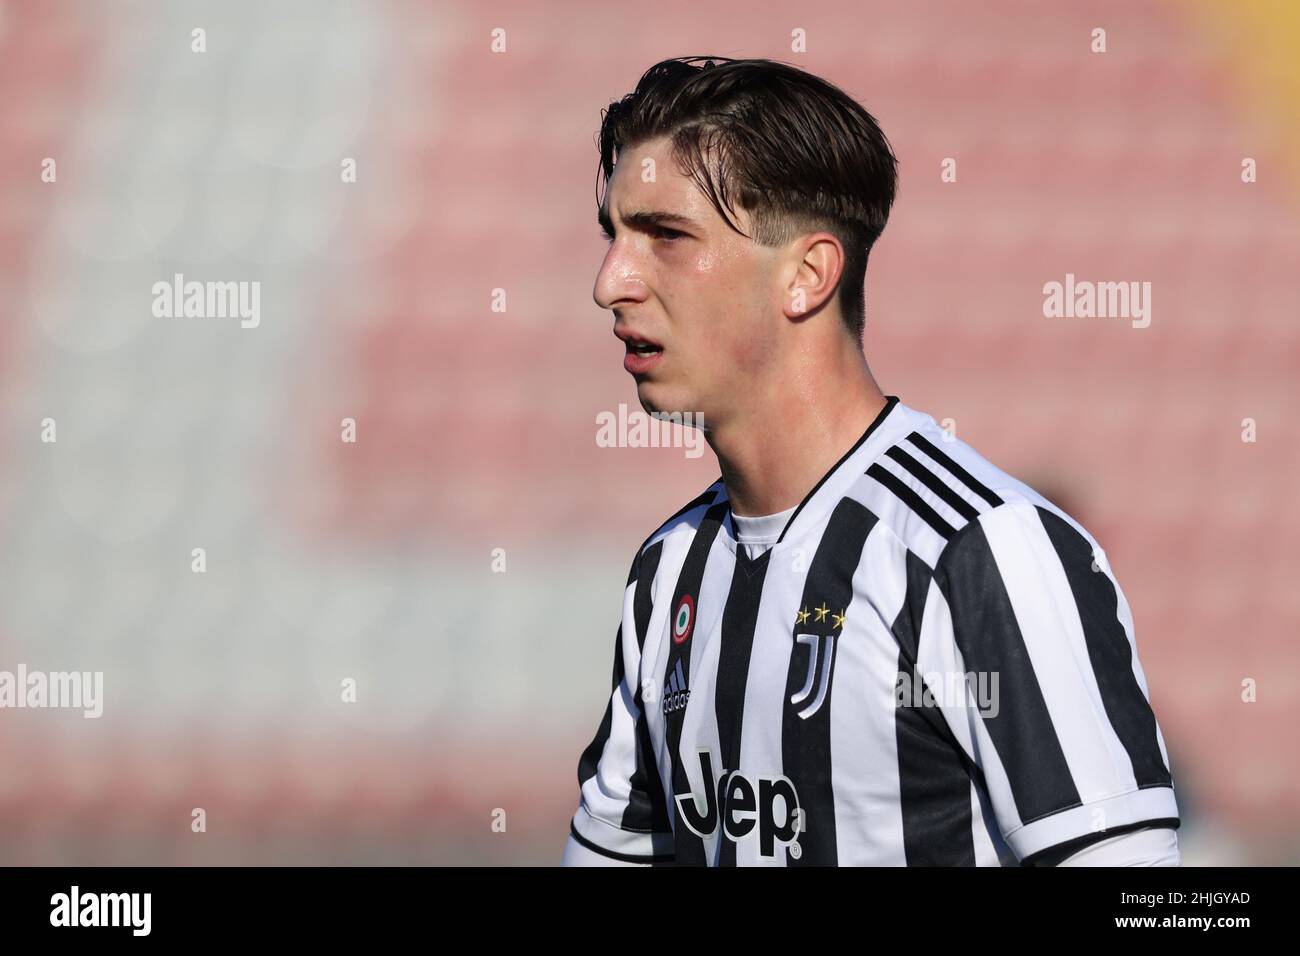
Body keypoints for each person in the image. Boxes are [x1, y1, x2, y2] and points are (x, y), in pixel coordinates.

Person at [564, 56, 1179, 866]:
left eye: (667, 236)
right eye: (614, 235)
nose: (612, 282)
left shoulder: (979, 554)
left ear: (807, 276)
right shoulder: (668, 572)